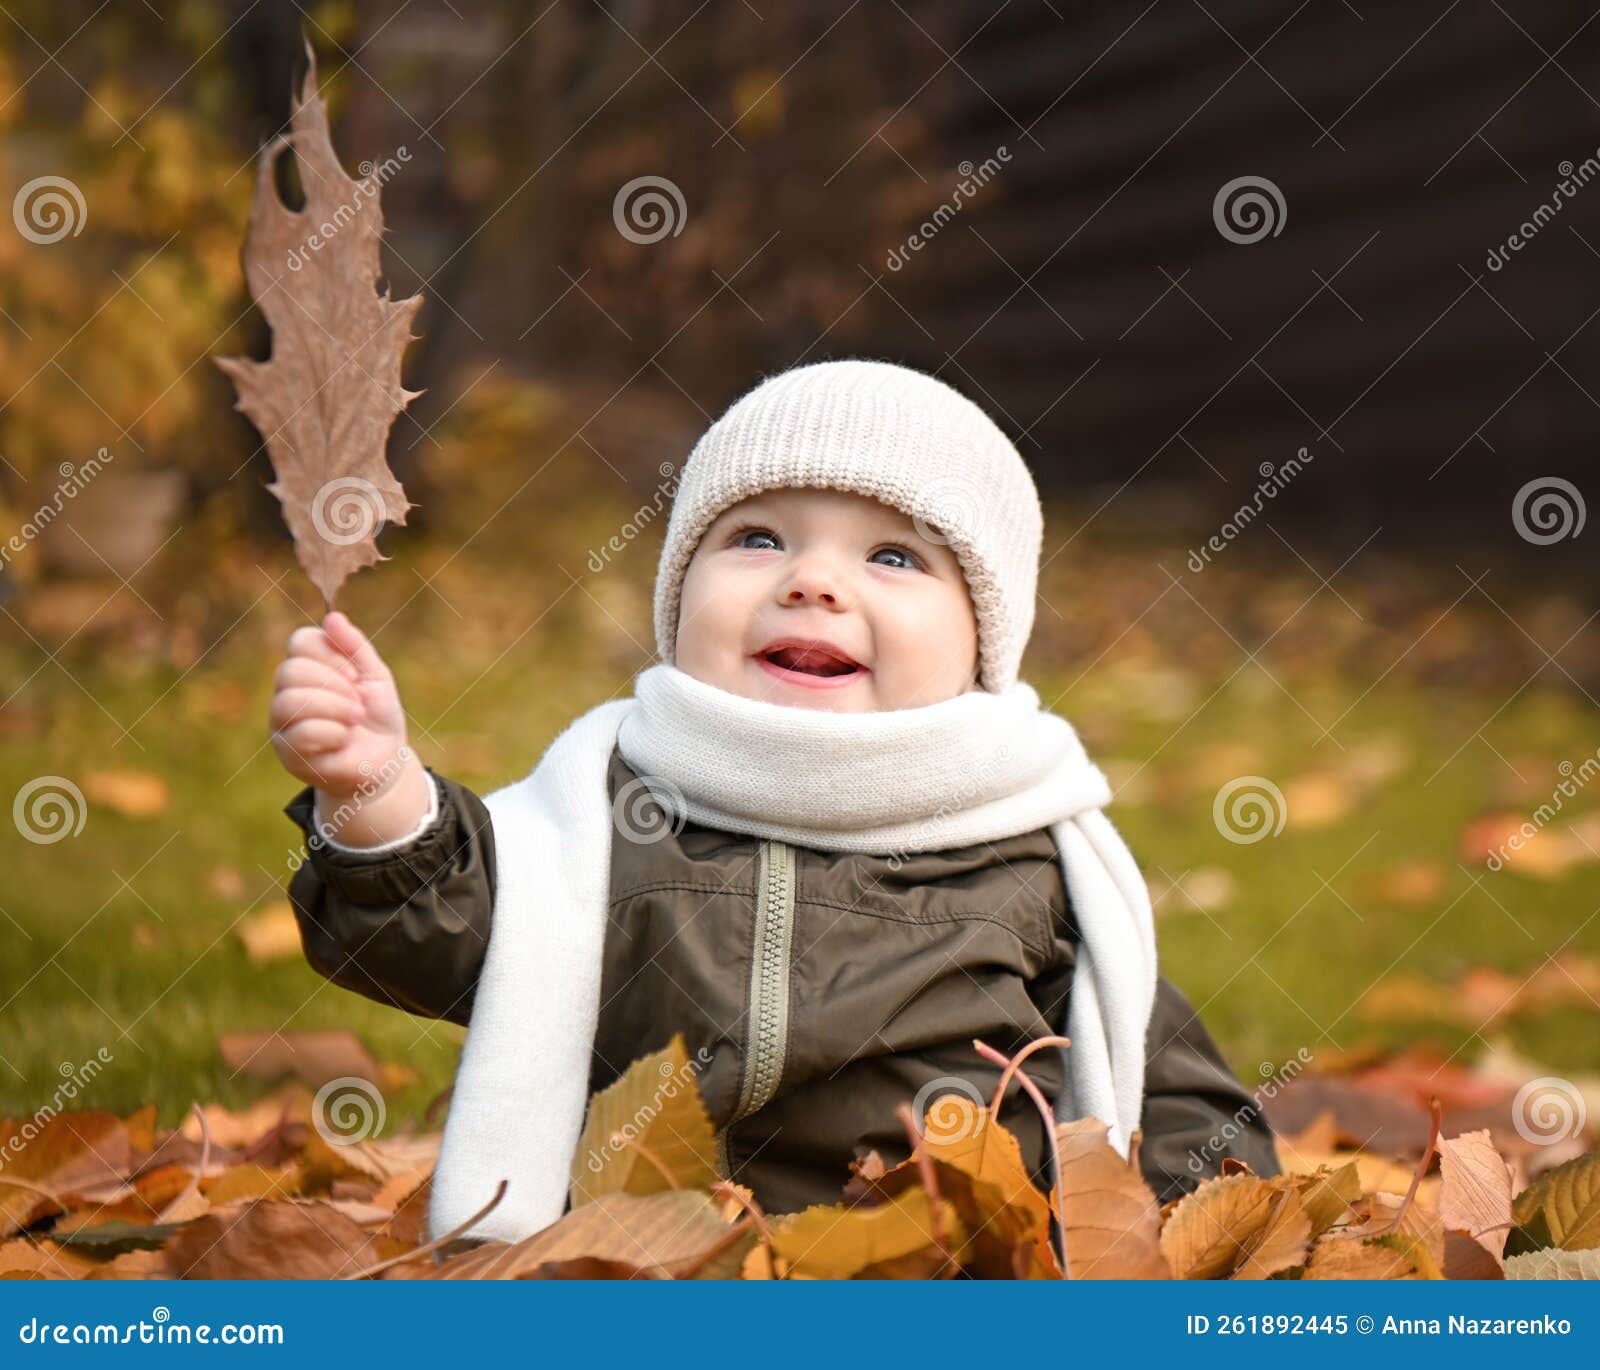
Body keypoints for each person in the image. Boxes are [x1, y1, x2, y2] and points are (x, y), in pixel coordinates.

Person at [271, 359, 1280, 1245]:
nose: (812, 581)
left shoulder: (1027, 852)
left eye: (893, 556)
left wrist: (1202, 1244)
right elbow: (431, 930)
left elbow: (1165, 1084)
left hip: (942, 1267)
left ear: (982, 640)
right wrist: (373, 789)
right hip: (648, 1260)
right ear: (679, 597)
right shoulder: (603, 813)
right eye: (756, 537)